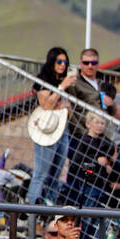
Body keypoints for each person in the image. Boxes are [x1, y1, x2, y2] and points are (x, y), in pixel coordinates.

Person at [27, 47, 75, 206]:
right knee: (41, 173)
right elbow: (46, 104)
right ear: (52, 62)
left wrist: (62, 99)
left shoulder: (65, 82)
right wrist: (61, 88)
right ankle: (32, 207)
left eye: (65, 62)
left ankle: (49, 210)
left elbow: (68, 110)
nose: (63, 65)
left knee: (56, 175)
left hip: (63, 131)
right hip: (46, 130)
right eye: (59, 61)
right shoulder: (44, 80)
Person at [66, 48, 113, 123]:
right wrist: (81, 131)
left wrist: (111, 104)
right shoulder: (74, 82)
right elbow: (72, 111)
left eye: (93, 63)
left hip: (106, 130)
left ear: (98, 64)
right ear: (80, 64)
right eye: (86, 63)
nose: (90, 66)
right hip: (85, 131)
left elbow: (113, 112)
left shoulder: (103, 84)